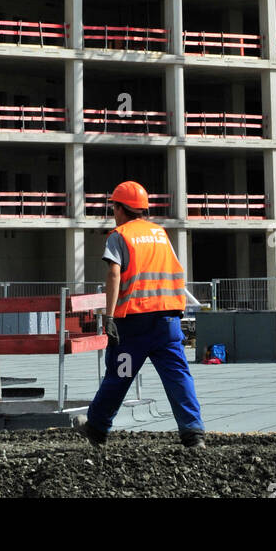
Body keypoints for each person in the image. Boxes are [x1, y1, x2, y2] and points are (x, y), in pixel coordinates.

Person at [77, 181, 206, 450]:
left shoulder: (119, 235)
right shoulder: (160, 234)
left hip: (133, 324)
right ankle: (193, 434)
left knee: (120, 374)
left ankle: (97, 428)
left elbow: (113, 273)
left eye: (114, 206)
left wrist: (109, 316)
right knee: (178, 375)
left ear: (120, 207)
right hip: (167, 322)